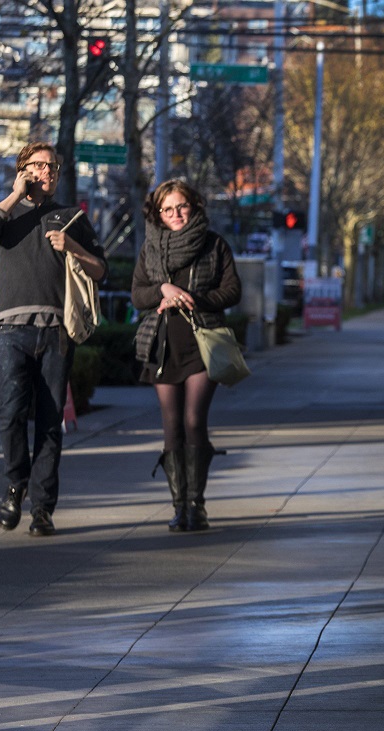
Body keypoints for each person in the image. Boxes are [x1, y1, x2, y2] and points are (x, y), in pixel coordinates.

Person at [0, 141, 107, 536]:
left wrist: (73, 247)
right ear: (24, 169)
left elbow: (101, 270)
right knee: (10, 415)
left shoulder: (71, 217)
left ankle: (42, 509)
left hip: (56, 332)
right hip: (12, 330)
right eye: (40, 166)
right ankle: (15, 484)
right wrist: (15, 193)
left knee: (49, 423)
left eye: (53, 167)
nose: (48, 172)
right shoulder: (6, 215)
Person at [131, 179, 241, 533]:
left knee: (194, 420)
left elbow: (232, 290)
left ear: (193, 207)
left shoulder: (213, 244)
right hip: (163, 345)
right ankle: (179, 506)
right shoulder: (151, 248)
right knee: (171, 425)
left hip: (203, 342)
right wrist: (163, 289)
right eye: (168, 209)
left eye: (182, 207)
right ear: (157, 213)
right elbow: (137, 295)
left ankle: (197, 505)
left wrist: (193, 297)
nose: (176, 214)